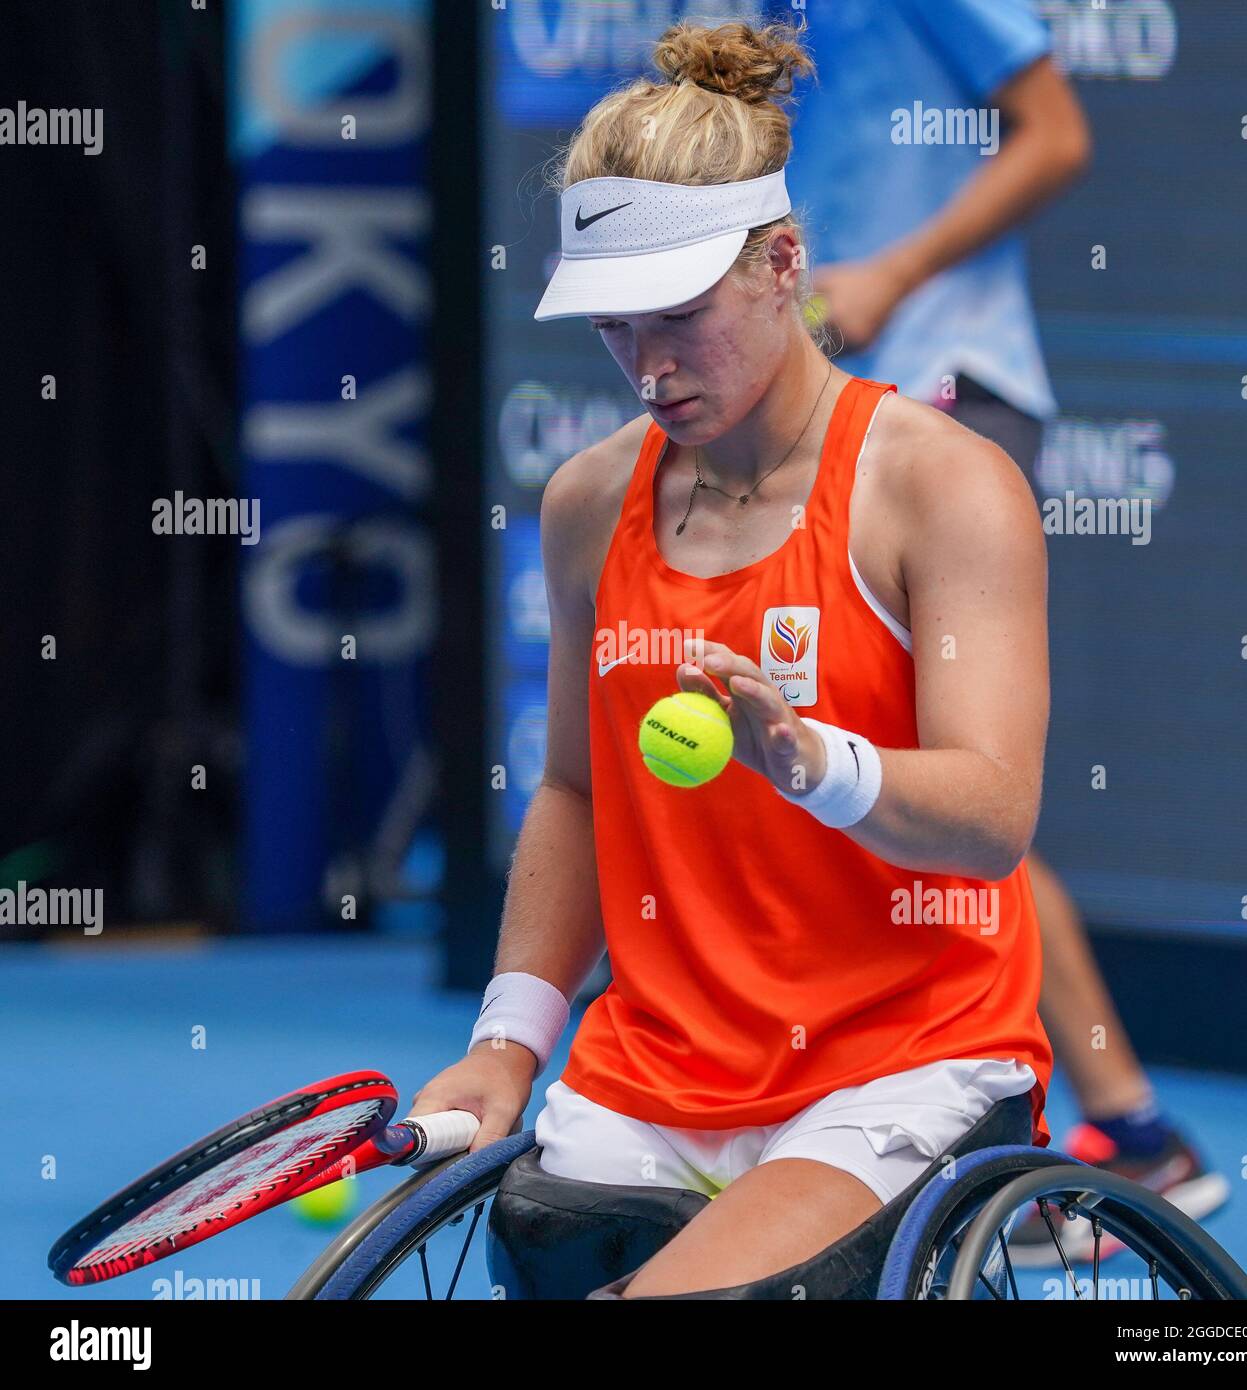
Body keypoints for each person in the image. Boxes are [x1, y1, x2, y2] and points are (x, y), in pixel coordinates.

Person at [413, 18, 1054, 1298]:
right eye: (612, 328)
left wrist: (814, 763)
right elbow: (577, 794)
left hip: (903, 1058)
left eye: (680, 318)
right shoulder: (588, 502)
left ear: (782, 263)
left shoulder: (944, 487)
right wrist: (506, 1042)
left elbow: (991, 823)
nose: (646, 368)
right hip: (652, 1067)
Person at [779, 0, 1224, 1259]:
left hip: (943, 387)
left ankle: (1131, 1132)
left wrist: (888, 274)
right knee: (862, 778)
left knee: (936, 789)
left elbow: (1054, 132)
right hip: (836, 397)